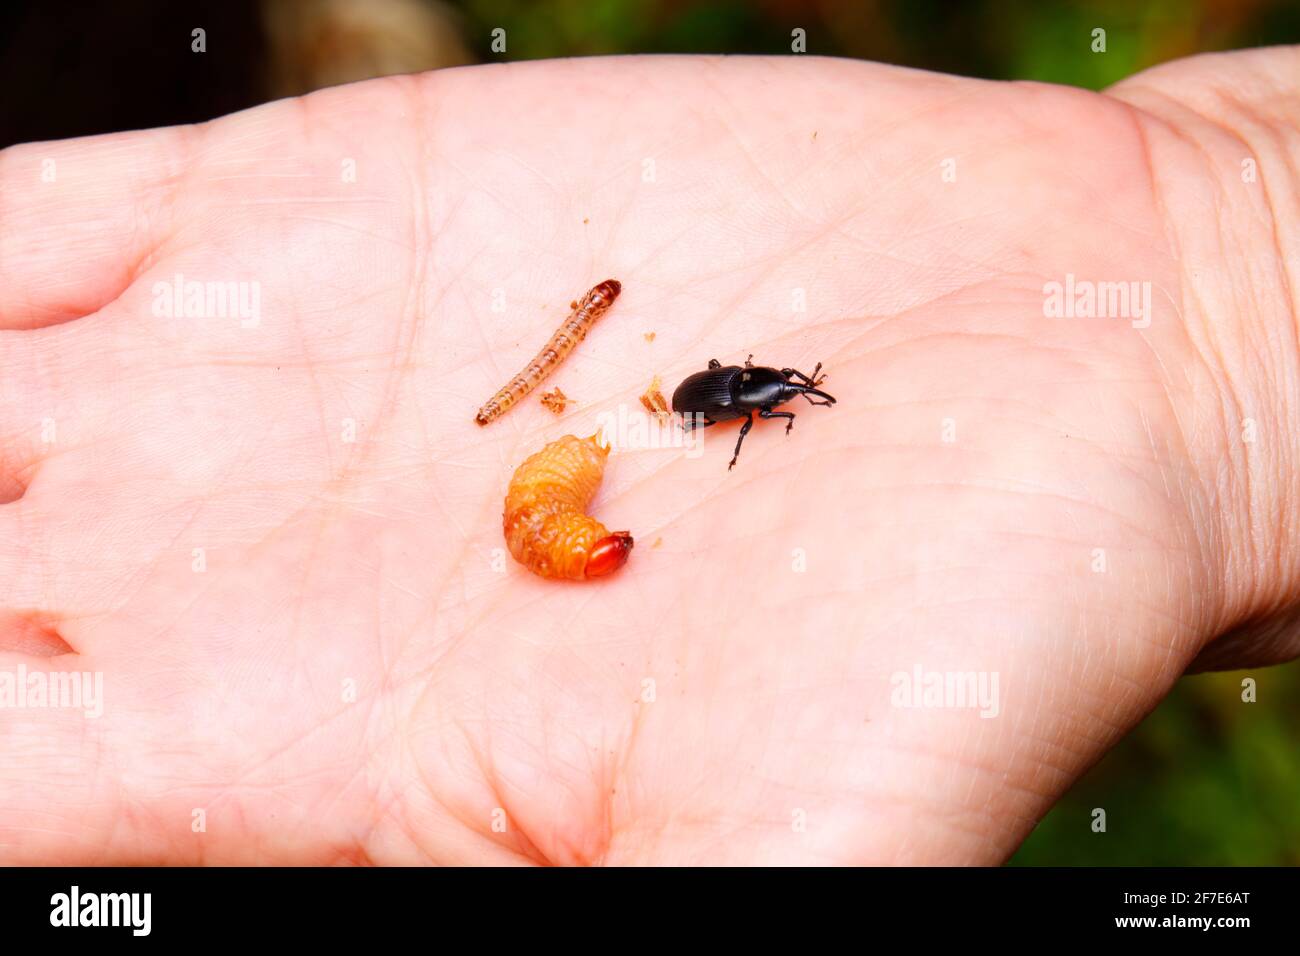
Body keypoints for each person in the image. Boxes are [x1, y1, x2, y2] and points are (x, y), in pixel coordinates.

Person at [0, 48, 1296, 865]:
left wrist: (1216, 294)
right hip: (659, 410)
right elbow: (701, 408)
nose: (786, 401)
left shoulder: (741, 406)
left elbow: (726, 403)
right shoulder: (690, 420)